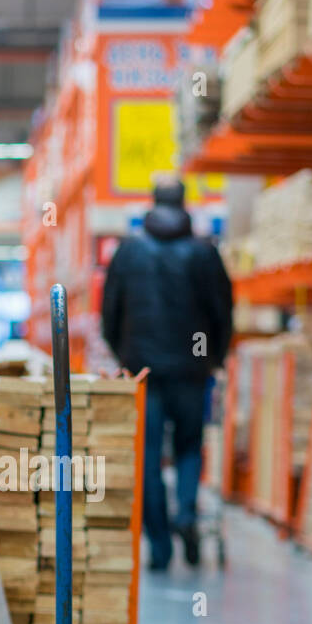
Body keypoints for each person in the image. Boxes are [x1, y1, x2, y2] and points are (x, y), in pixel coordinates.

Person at [101, 176, 233, 571]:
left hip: (143, 369)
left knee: (149, 454)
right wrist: (215, 356)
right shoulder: (204, 253)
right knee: (191, 445)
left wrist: (123, 354)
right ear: (185, 204)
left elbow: (110, 312)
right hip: (192, 369)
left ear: (152, 203)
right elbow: (222, 312)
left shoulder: (128, 252)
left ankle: (159, 547)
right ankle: (187, 515)